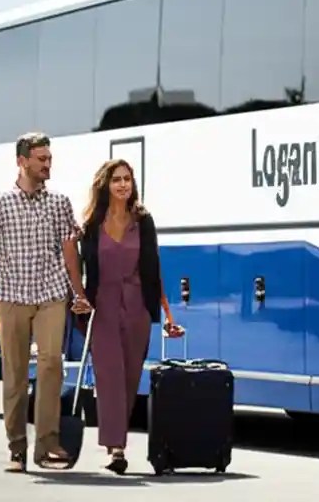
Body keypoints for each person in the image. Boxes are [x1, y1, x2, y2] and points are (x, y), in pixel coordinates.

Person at [0, 131, 87, 472]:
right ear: (22, 161)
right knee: (16, 373)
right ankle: (17, 448)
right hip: (11, 298)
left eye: (49, 159)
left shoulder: (60, 203)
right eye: (41, 159)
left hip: (52, 295)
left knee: (53, 364)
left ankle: (48, 445)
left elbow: (71, 250)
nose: (47, 165)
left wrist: (78, 292)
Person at [69, 159, 181, 475]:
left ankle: (117, 438)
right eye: (116, 179)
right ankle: (116, 447)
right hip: (102, 304)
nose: (122, 185)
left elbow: (154, 270)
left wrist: (167, 315)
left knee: (130, 376)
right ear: (105, 185)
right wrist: (79, 299)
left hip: (137, 307)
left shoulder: (143, 221)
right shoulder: (91, 224)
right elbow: (77, 263)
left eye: (127, 179)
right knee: (109, 376)